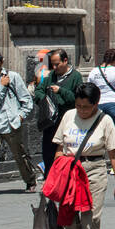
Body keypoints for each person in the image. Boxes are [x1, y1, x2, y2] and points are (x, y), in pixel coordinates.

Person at [51, 83, 115, 229]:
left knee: (90, 216)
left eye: (86, 107)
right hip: (70, 171)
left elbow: (113, 154)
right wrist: (56, 174)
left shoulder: (105, 120)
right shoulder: (68, 116)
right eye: (78, 106)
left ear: (96, 104)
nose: (82, 110)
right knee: (67, 218)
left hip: (94, 170)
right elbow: (59, 148)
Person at [0, 50, 36, 197]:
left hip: (12, 124)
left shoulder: (14, 77)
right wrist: (2, 86)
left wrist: (21, 116)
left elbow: (27, 100)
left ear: (1, 62)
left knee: (20, 155)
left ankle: (30, 180)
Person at [31, 48, 82, 179]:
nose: (54, 67)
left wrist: (60, 91)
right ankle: (49, 182)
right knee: (48, 154)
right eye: (52, 64)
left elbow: (76, 98)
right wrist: (46, 99)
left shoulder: (76, 77)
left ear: (65, 61)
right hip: (50, 123)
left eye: (57, 64)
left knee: (65, 155)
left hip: (67, 122)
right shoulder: (50, 76)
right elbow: (39, 91)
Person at [87, 48, 115, 170]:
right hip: (114, 105)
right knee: (114, 136)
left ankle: (98, 164)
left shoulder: (93, 71)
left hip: (98, 106)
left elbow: (89, 89)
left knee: (98, 135)